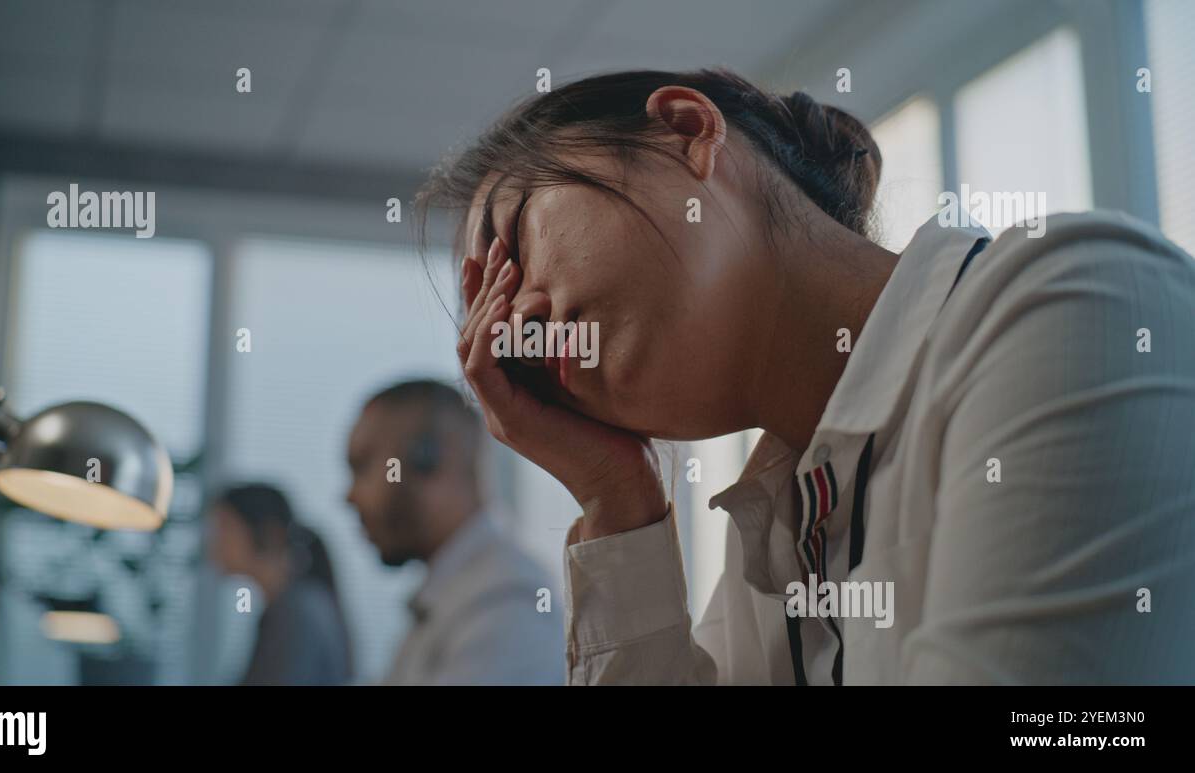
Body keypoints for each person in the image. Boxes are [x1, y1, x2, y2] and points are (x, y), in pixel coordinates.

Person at [416, 68, 1195, 684]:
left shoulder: (1074, 301)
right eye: (491, 322)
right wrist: (614, 498)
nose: (513, 323)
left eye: (513, 245)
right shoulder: (777, 540)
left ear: (687, 132)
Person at [345, 379, 562, 685]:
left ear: (430, 460)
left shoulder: (506, 604)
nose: (349, 496)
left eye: (362, 466)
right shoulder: (455, 595)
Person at [208, 484, 353, 685]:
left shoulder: (295, 612)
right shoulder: (292, 604)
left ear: (269, 534)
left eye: (225, 528)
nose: (214, 542)